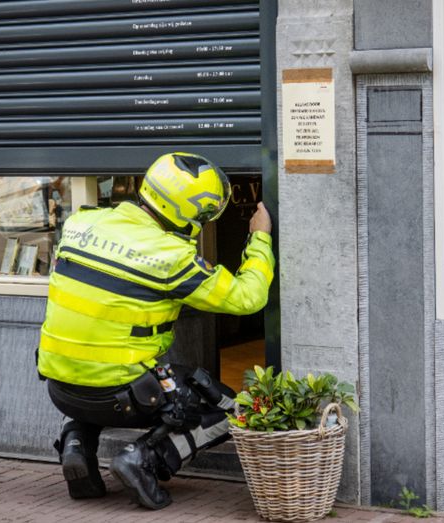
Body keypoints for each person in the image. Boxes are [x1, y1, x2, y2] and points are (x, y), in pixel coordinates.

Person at [37, 152, 274, 510]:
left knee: (94, 368)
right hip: (120, 397)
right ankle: (144, 457)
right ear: (187, 212)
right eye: (204, 214)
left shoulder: (79, 224)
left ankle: (76, 445)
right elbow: (248, 298)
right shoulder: (171, 257)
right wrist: (260, 238)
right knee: (230, 409)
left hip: (60, 389)